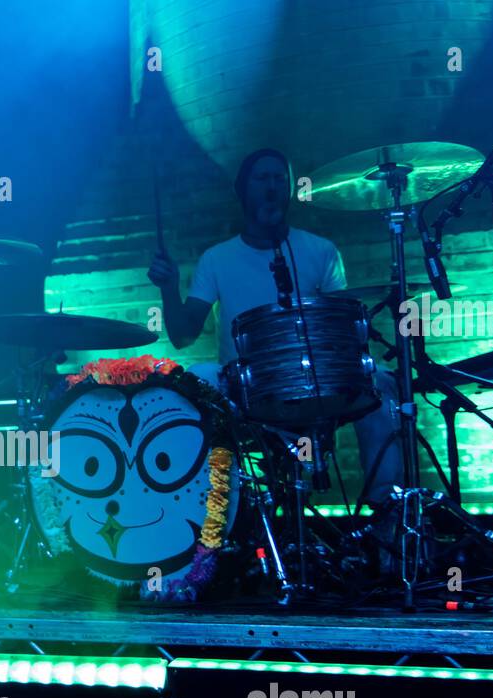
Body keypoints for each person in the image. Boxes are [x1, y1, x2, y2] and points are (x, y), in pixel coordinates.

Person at [147, 147, 402, 507]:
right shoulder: (216, 259)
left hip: (310, 378)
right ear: (243, 190)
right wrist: (169, 288)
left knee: (382, 381)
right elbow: (183, 336)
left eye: (279, 179)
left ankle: (387, 511)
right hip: (243, 384)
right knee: (199, 377)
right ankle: (213, 514)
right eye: (262, 178)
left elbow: (339, 326)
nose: (271, 186)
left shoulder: (320, 250)